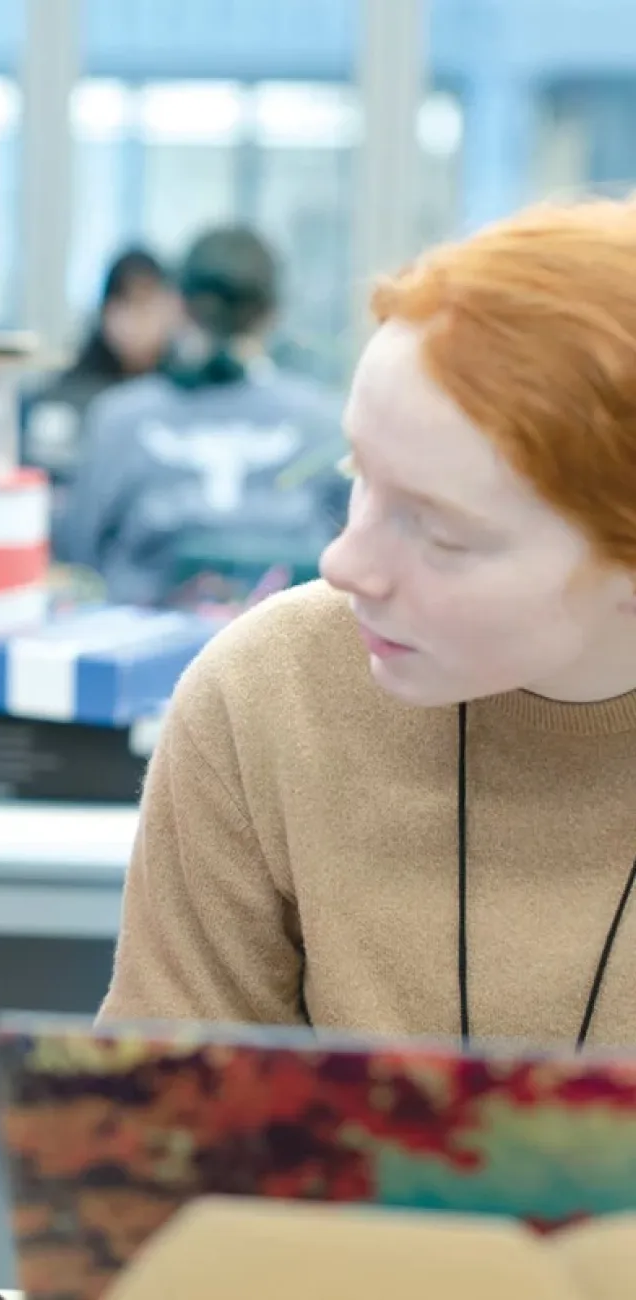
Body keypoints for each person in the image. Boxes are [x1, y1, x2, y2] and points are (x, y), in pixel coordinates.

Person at [99, 197, 636, 1052]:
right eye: (359, 472)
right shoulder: (267, 693)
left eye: (439, 529)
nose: (345, 564)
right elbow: (154, 1144)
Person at [57, 225, 348, 606]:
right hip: (287, 653)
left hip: (147, 656)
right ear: (273, 313)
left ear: (177, 304)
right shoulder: (325, 421)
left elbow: (81, 551)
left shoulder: (120, 419)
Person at [23, 248, 181, 498]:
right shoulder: (64, 398)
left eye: (148, 305)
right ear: (105, 311)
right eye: (126, 304)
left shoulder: (185, 396)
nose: (138, 321)